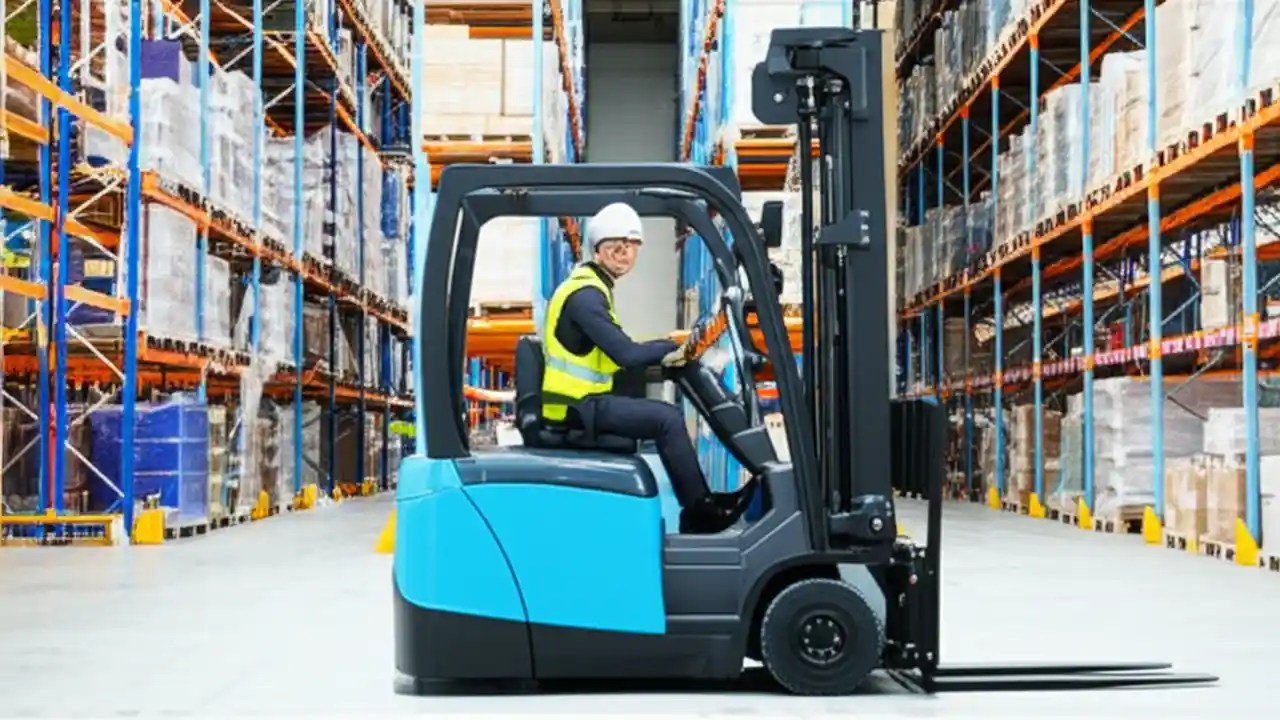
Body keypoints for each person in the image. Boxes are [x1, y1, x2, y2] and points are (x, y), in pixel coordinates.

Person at [540, 202, 753, 534]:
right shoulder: (585, 295)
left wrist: (668, 351)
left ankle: (702, 504)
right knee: (665, 418)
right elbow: (626, 354)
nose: (624, 254)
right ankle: (700, 511)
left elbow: (619, 352)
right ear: (598, 249)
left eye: (630, 247)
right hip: (575, 408)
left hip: (580, 404)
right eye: (616, 246)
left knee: (662, 414)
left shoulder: (592, 288)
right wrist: (670, 348)